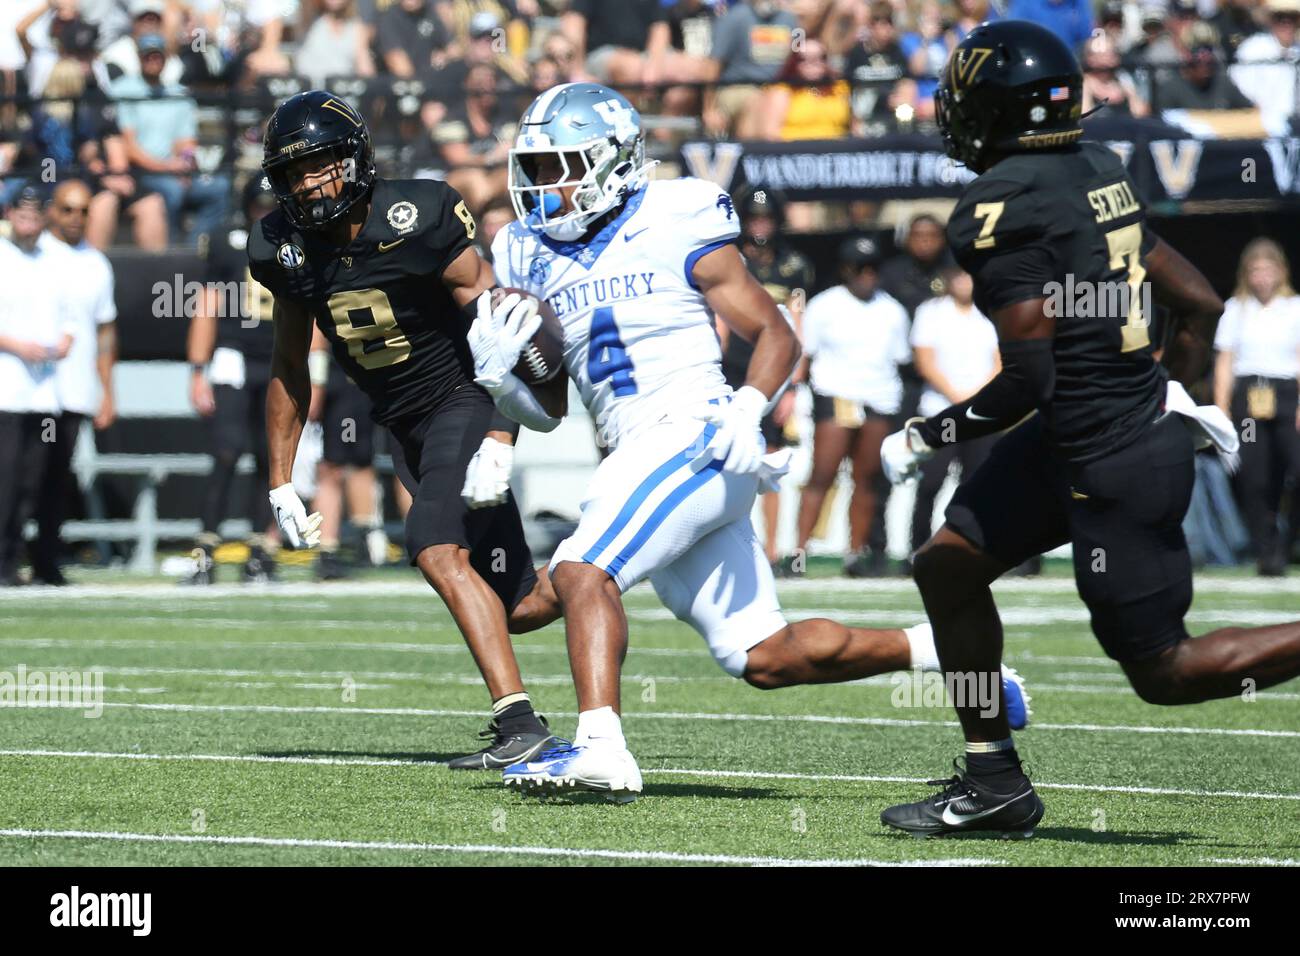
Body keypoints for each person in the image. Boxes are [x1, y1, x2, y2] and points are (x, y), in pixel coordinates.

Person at [476, 83, 1029, 801]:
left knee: (582, 570)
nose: (546, 185)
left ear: (613, 160)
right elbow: (549, 409)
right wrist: (502, 387)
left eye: (562, 166)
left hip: (697, 432)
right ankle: (948, 657)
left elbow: (774, 329)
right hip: (635, 450)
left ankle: (601, 748)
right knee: (765, 655)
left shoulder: (674, 213)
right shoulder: (523, 250)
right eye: (538, 168)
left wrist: (747, 407)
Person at [879, 20, 1300, 838]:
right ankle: (995, 782)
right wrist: (1166, 383)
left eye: (967, 101)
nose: (956, 116)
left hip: (1109, 453)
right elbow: (1200, 299)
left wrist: (928, 435)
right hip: (1092, 431)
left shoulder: (999, 207)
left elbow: (1026, 380)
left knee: (1165, 671)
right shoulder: (1097, 165)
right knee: (948, 568)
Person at [251, 90, 564, 770]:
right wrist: (280, 477)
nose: (309, 183)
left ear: (356, 158)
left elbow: (499, 326)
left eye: (321, 164)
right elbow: (287, 364)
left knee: (431, 545)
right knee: (520, 604)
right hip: (405, 423)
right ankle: (611, 562)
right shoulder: (285, 247)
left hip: (465, 397)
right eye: (294, 172)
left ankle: (518, 722)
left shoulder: (416, 215)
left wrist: (501, 436)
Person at [787, 235, 909, 578]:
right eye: (859, 269)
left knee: (866, 479)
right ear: (845, 270)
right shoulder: (825, 305)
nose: (866, 276)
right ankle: (798, 554)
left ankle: (856, 555)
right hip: (837, 394)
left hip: (879, 398)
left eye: (872, 269)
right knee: (822, 475)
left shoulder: (892, 310)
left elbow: (899, 357)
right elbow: (805, 355)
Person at [187, 173, 281, 585]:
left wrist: (311, 371)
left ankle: (260, 549)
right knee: (227, 452)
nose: (264, 211)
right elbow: (206, 305)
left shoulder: (297, 239)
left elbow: (315, 307)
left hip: (279, 358)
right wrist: (196, 369)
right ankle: (204, 548)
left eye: (270, 204)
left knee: (269, 456)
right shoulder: (227, 239)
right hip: (232, 354)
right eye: (258, 204)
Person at [720, 185, 812, 568]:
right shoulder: (728, 259)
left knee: (769, 462)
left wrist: (792, 384)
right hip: (731, 368)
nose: (760, 225)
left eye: (766, 218)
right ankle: (731, 546)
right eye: (754, 218)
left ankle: (771, 549)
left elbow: (798, 324)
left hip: (773, 370)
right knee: (726, 456)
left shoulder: (794, 267)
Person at [41, 179, 117, 585]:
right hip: (30, 389)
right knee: (18, 478)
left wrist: (107, 389)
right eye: (67, 209)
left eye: (83, 211)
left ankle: (46, 560)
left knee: (56, 480)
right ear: (53, 210)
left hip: (74, 388)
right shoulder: (36, 254)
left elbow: (106, 332)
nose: (75, 218)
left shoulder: (96, 264)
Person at [0, 186, 74, 586]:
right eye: (21, 211)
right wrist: (18, 346)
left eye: (34, 212)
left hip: (43, 393)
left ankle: (18, 561)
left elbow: (69, 319)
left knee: (34, 482)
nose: (28, 219)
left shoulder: (54, 261)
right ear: (10, 214)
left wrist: (63, 342)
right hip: (6, 390)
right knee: (5, 481)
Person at [1213, 238, 1300, 576]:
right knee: (1254, 477)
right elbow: (1225, 361)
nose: (1262, 277)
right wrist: (1221, 409)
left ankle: (1287, 538)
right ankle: (1266, 550)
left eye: (1268, 269)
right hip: (1249, 394)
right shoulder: (1236, 308)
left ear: (1281, 271)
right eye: (1255, 270)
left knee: (1295, 467)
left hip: (1285, 392)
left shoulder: (1294, 307)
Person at [907, 268, 999, 557]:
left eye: (970, 276)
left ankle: (975, 548)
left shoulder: (990, 311)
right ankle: (919, 547)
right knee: (931, 481)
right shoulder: (930, 312)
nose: (965, 282)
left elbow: (1001, 360)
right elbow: (925, 362)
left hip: (982, 411)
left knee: (979, 483)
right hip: (940, 410)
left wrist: (976, 398)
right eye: (959, 276)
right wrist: (958, 398)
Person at [112, 32, 229, 245]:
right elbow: (127, 146)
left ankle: (195, 251)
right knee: (171, 190)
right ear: (139, 57)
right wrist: (167, 168)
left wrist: (184, 164)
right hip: (140, 172)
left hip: (174, 171)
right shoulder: (124, 89)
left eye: (158, 55)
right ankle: (172, 254)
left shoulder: (178, 94)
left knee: (219, 187)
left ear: (166, 58)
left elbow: (186, 141)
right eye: (148, 55)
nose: (153, 60)